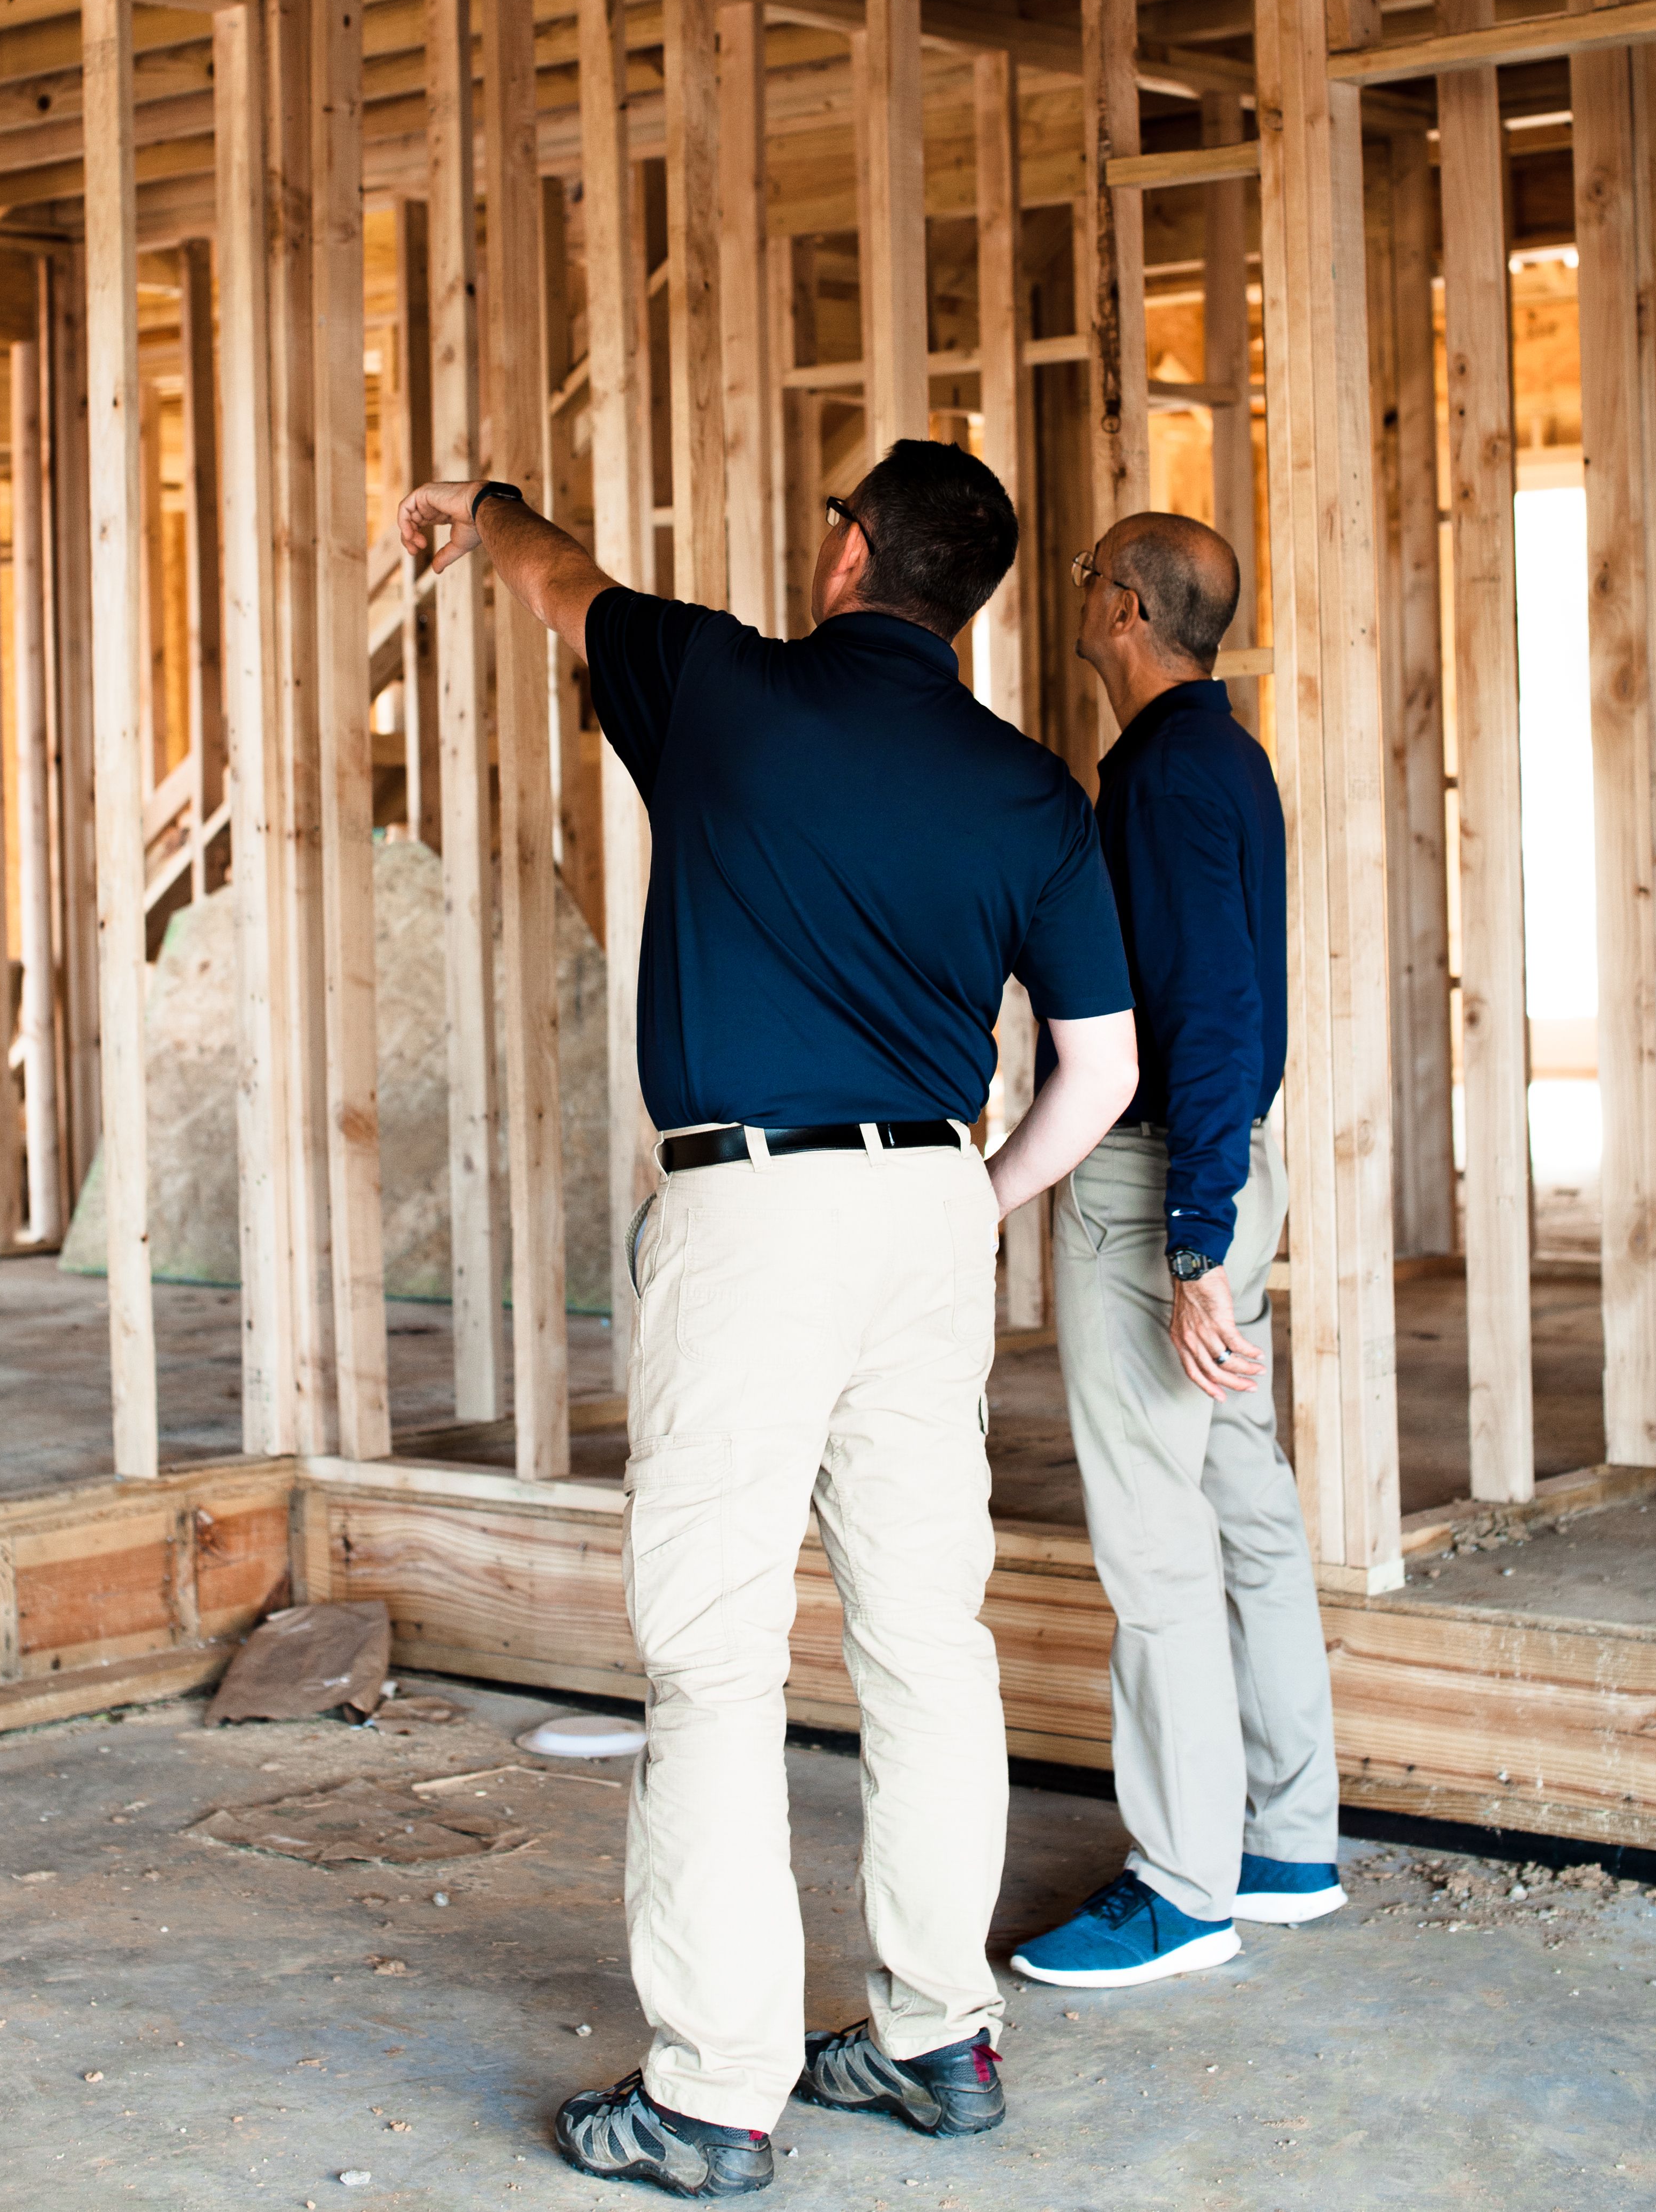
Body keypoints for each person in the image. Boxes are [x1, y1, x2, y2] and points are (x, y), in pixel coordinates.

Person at [400, 440, 1137, 2199]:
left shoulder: (722, 685)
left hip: (755, 1213)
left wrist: (478, 506)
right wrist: (977, 1196)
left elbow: (559, 583)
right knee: (925, 1643)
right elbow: (1098, 1072)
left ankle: (717, 2095)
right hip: (930, 1213)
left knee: (717, 1656)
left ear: (848, 554)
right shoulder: (1035, 792)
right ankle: (936, 2037)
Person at [1010, 513, 1345, 1995]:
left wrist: (1192, 1238)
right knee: (1246, 1506)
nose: (1080, 599)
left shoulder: (1162, 776)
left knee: (1156, 1544)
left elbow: (1207, 1010)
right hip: (1216, 1174)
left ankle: (1181, 1886)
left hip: (1160, 1188)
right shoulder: (1230, 758)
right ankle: (1286, 1844)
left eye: (1090, 580)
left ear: (1128, 607)